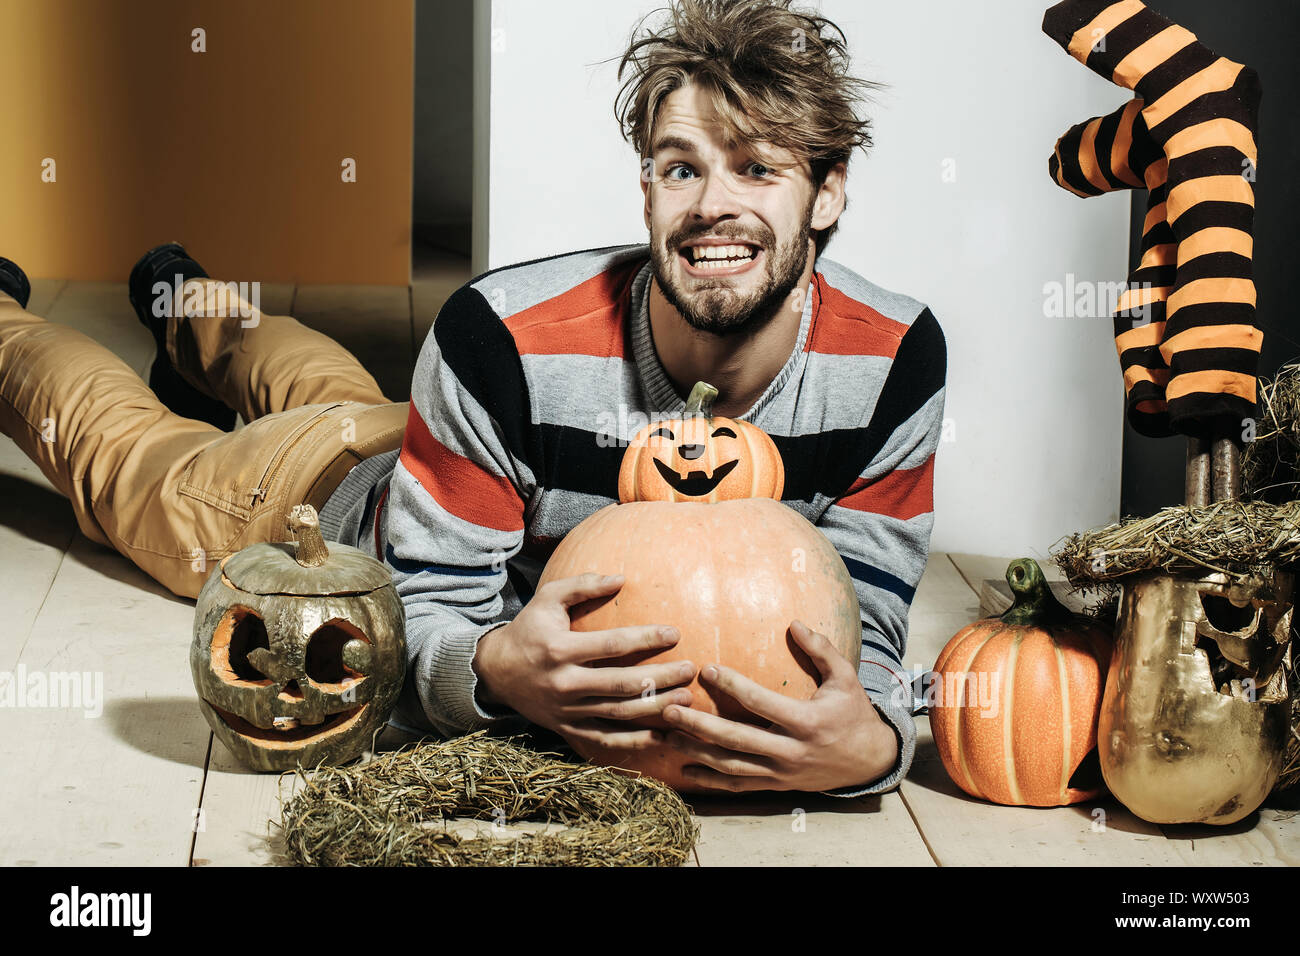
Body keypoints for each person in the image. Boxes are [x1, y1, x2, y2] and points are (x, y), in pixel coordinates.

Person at [0, 0, 946, 796]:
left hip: (440, 457)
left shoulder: (896, 360)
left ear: (827, 193)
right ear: (648, 187)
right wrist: (492, 669)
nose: (711, 205)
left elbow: (865, 617)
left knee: (322, 382)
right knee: (125, 456)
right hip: (327, 508)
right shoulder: (501, 338)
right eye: (680, 166)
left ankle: (187, 305)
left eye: (758, 168)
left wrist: (876, 742)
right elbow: (421, 607)